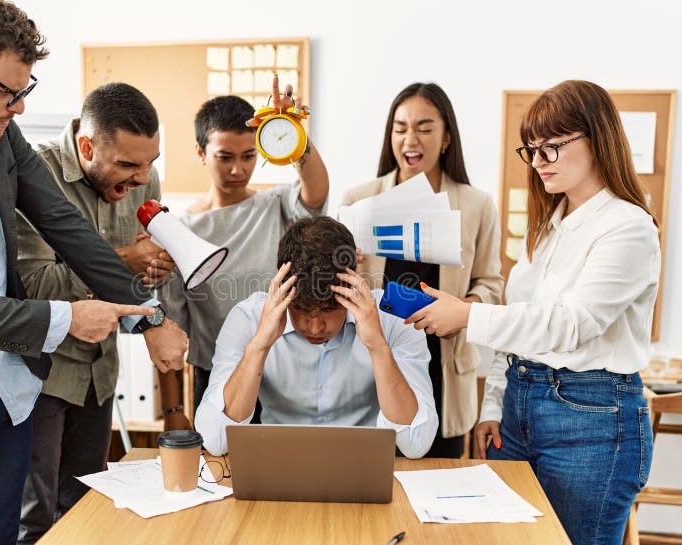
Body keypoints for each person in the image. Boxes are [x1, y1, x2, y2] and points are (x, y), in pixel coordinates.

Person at [0, 1, 186, 544]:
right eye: (8, 92)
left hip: (6, 398)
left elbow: (69, 227)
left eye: (26, 91)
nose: (19, 109)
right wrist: (63, 320)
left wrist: (149, 317)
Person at [410, 80, 658, 545]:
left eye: (553, 148)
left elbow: (570, 324)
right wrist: (494, 405)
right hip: (521, 406)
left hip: (592, 420)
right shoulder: (547, 226)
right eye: (532, 150)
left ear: (598, 139)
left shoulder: (628, 226)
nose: (539, 161)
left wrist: (465, 316)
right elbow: (521, 321)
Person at [15, 82, 183, 544]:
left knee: (88, 510)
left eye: (150, 162)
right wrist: (125, 260)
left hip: (99, 375)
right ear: (86, 147)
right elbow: (36, 285)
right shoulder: (33, 172)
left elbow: (137, 286)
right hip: (41, 376)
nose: (141, 178)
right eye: (127, 165)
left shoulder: (142, 176)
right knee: (35, 518)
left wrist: (152, 272)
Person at [340, 83, 503, 458]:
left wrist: (463, 309)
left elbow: (491, 282)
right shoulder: (358, 201)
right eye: (400, 128)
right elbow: (336, 282)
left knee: (437, 481)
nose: (410, 139)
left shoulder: (476, 205)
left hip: (443, 360)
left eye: (424, 128)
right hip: (376, 355)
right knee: (374, 480)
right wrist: (347, 263)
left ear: (446, 138)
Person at [195, 216, 438, 458]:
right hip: (278, 464)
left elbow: (416, 445)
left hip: (364, 463)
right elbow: (216, 441)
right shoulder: (247, 318)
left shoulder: (393, 318)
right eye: (301, 312)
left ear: (353, 282)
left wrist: (377, 346)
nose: (314, 327)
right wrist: (259, 345)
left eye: (328, 312)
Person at [161, 74, 328, 412]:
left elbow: (316, 194)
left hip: (283, 370)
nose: (238, 169)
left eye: (249, 156)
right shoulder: (180, 230)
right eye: (225, 157)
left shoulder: (275, 204)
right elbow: (169, 326)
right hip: (217, 376)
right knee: (222, 464)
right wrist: (173, 411)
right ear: (201, 153)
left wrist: (293, 131)